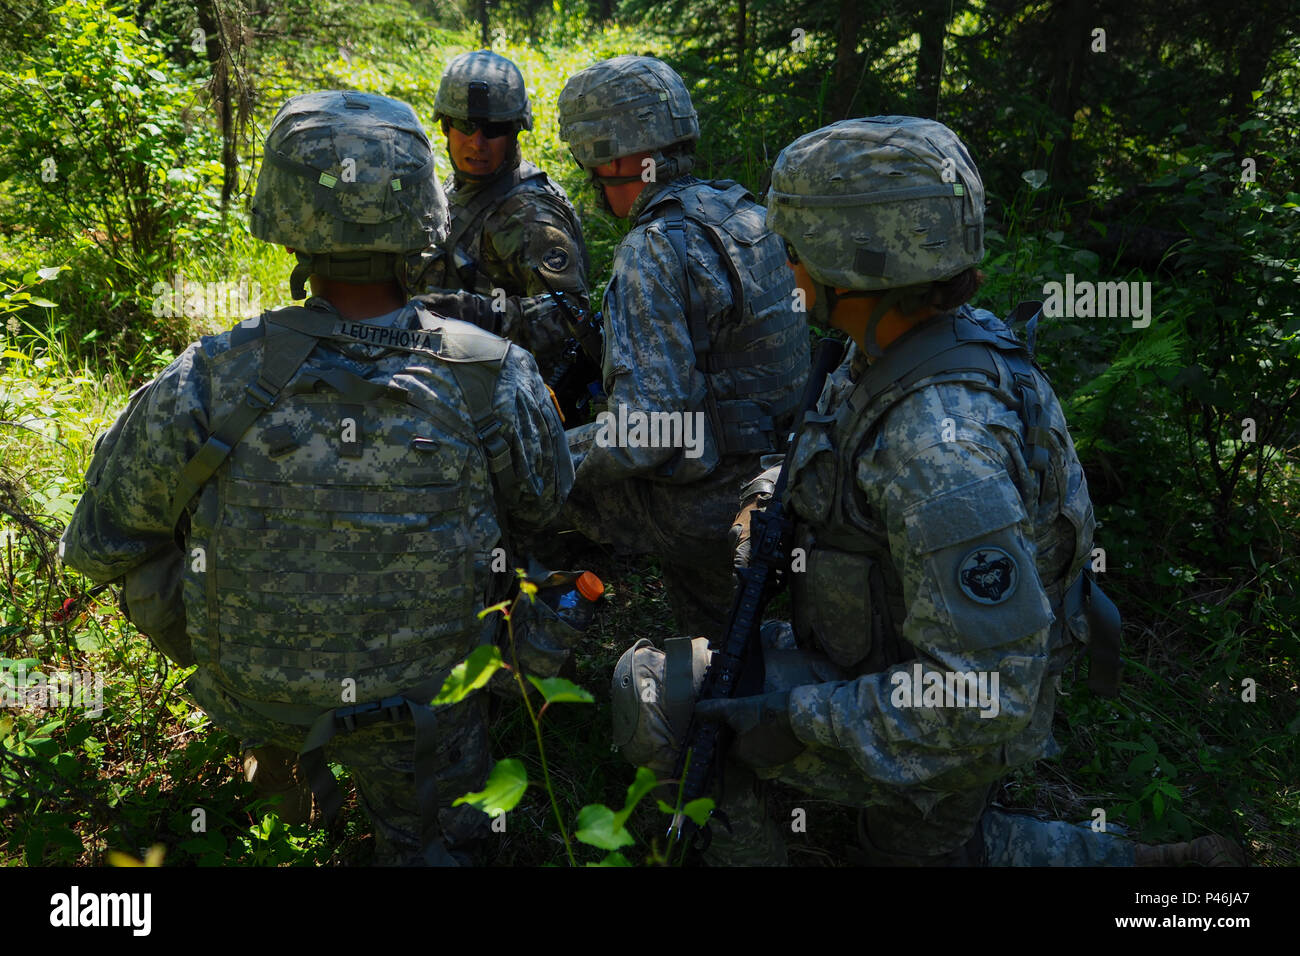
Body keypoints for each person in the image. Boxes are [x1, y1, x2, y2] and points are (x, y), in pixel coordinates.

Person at [615, 116, 1242, 867]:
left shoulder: (939, 452)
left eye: (794, 244)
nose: (785, 265)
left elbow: (981, 699)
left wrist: (792, 717)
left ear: (852, 258)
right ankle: (1151, 868)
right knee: (922, 853)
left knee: (659, 697)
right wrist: (767, 496)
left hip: (943, 716)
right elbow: (834, 457)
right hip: (891, 656)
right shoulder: (899, 344)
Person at [58, 90, 573, 866]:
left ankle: (279, 754)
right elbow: (543, 506)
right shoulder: (494, 377)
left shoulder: (206, 378)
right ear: (421, 216)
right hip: (429, 707)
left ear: (284, 216)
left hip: (250, 688)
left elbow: (101, 544)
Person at [554, 55, 809, 638]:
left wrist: (545, 452)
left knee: (518, 484)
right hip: (781, 481)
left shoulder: (653, 248)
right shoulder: (748, 213)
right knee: (723, 645)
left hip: (711, 510)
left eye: (586, 156)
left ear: (617, 157)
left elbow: (647, 434)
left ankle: (537, 660)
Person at [414, 49, 593, 413]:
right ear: (445, 124)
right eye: (465, 126)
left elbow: (572, 315)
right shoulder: (451, 191)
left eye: (493, 130)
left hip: (507, 405)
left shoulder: (530, 214)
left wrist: (480, 315)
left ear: (515, 131)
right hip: (441, 391)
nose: (476, 144)